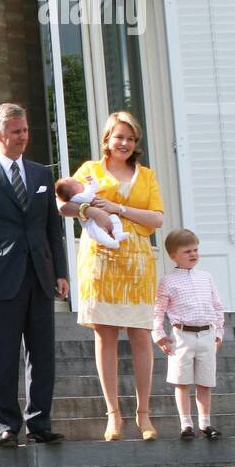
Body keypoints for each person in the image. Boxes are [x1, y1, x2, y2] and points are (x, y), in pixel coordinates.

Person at [0, 103, 68, 447]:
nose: (23, 137)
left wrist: (61, 272)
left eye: (25, 130)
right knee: (4, 355)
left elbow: (53, 228)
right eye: (16, 131)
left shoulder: (40, 174)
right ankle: (6, 423)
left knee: (42, 355)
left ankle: (40, 422)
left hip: (40, 275)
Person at [56, 112, 165, 441]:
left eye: (131, 139)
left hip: (138, 264)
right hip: (101, 262)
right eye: (119, 137)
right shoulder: (90, 170)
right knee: (105, 337)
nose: (125, 144)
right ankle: (113, 415)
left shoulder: (146, 175)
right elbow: (62, 205)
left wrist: (119, 209)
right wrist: (91, 210)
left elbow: (157, 219)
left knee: (142, 337)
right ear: (107, 139)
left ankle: (143, 415)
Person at [153, 229, 225, 441]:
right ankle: (186, 424)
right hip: (182, 336)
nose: (193, 254)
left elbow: (217, 306)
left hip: (206, 334)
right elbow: (158, 310)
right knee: (182, 382)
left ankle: (205, 423)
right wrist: (159, 335)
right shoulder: (167, 281)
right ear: (173, 255)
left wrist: (219, 332)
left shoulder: (206, 278)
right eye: (187, 251)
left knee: (205, 382)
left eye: (195, 250)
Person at [55, 176, 126, 249]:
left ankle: (118, 233)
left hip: (106, 215)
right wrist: (94, 212)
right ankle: (110, 242)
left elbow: (94, 187)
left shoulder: (82, 191)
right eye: (76, 183)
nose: (80, 182)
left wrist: (92, 182)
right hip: (91, 222)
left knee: (114, 218)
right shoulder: (77, 197)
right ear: (72, 193)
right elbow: (88, 197)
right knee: (97, 232)